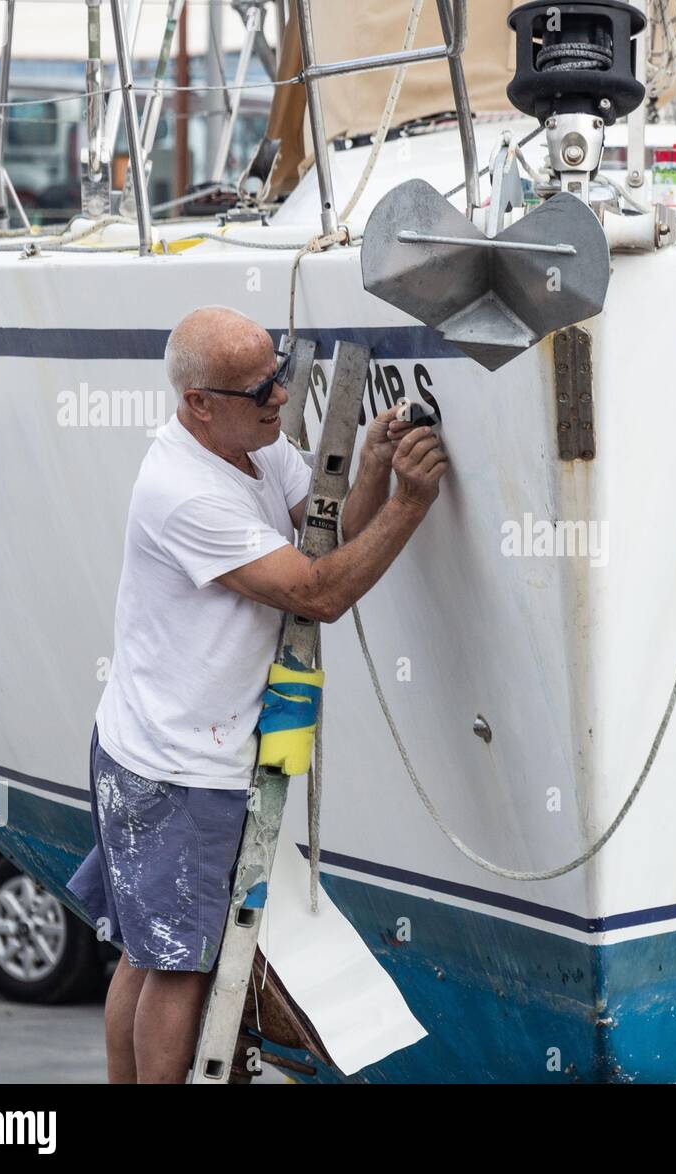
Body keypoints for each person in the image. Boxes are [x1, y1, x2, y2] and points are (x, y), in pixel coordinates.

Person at [67, 305, 447, 1083]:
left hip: (140, 742)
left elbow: (328, 537)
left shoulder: (257, 450)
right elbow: (316, 592)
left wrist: (371, 470)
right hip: (175, 769)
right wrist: (410, 503)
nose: (281, 398)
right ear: (199, 403)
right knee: (179, 965)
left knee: (147, 954)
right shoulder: (185, 491)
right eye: (260, 390)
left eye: (278, 376)